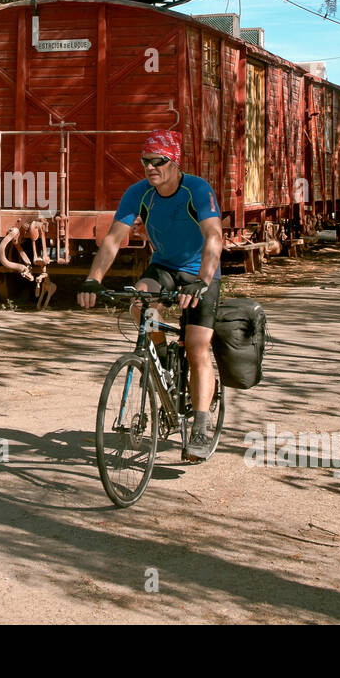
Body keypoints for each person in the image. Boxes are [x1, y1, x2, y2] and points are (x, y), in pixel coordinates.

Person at [77, 130, 225, 461]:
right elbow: (114, 239)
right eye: (145, 161)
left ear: (175, 162)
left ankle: (200, 426)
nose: (150, 167)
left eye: (158, 161)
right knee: (139, 303)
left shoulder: (196, 190)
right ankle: (160, 355)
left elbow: (214, 235)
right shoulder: (139, 193)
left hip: (201, 273)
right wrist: (92, 279)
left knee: (198, 346)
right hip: (164, 268)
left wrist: (202, 280)